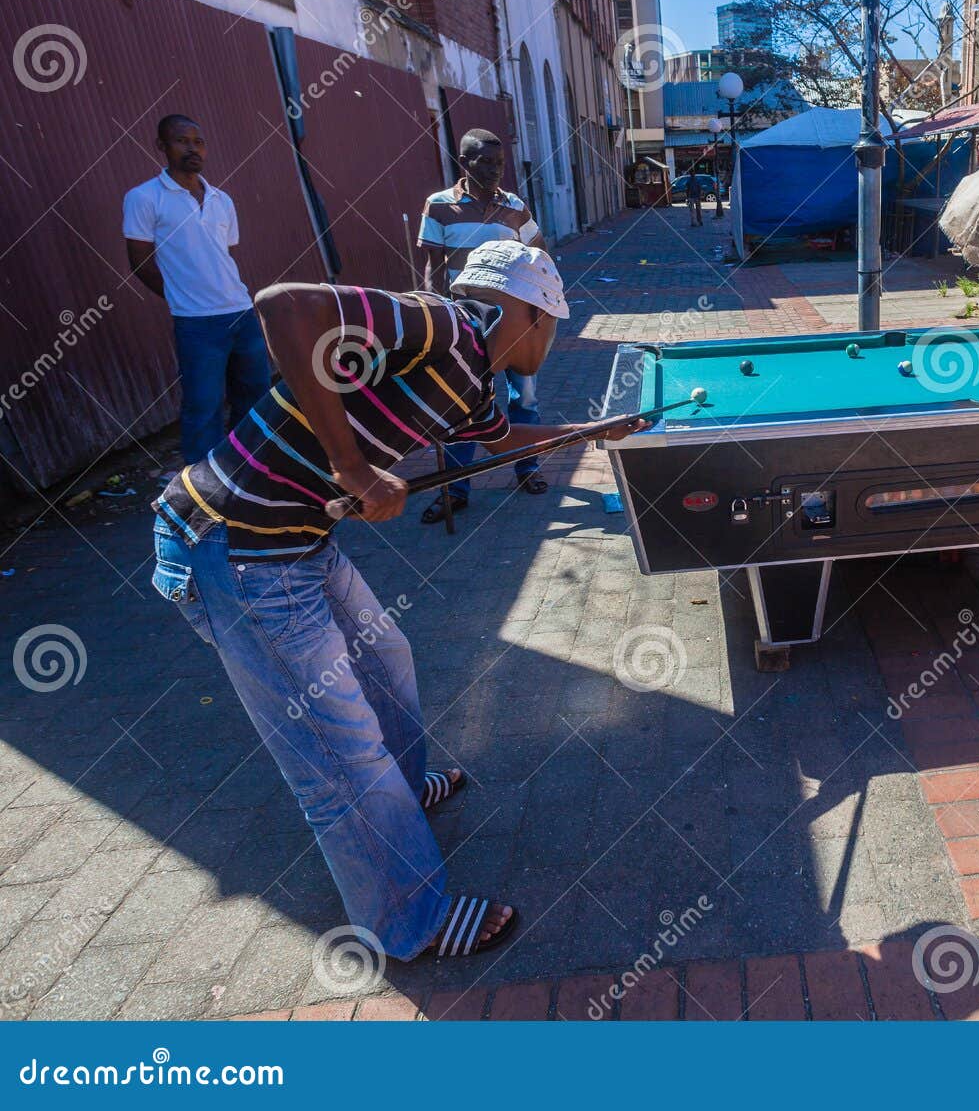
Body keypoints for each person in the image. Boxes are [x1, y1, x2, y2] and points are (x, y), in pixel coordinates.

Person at [150, 241, 646, 962]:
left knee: (385, 656)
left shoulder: (477, 382)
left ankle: (403, 796)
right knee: (340, 756)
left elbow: (499, 438)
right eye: (553, 323)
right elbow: (284, 306)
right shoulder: (440, 324)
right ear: (527, 313)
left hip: (294, 540)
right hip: (234, 547)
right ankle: (411, 919)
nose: (554, 340)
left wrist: (588, 433)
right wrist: (353, 464)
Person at [124, 114, 271, 476]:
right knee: (203, 405)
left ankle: (245, 471)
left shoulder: (222, 199)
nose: (192, 148)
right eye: (181, 141)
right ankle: (202, 484)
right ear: (161, 146)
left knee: (255, 396)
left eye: (198, 141)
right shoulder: (144, 198)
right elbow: (140, 262)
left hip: (241, 313)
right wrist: (179, 297)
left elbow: (225, 256)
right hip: (196, 323)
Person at [417, 129, 547, 523]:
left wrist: (539, 305)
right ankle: (455, 489)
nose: (494, 171)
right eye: (485, 162)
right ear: (464, 163)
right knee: (461, 406)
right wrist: (434, 312)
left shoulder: (514, 205)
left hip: (515, 324)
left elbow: (537, 254)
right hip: (466, 324)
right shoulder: (439, 206)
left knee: (524, 398)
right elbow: (433, 265)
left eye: (499, 163)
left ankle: (528, 469)